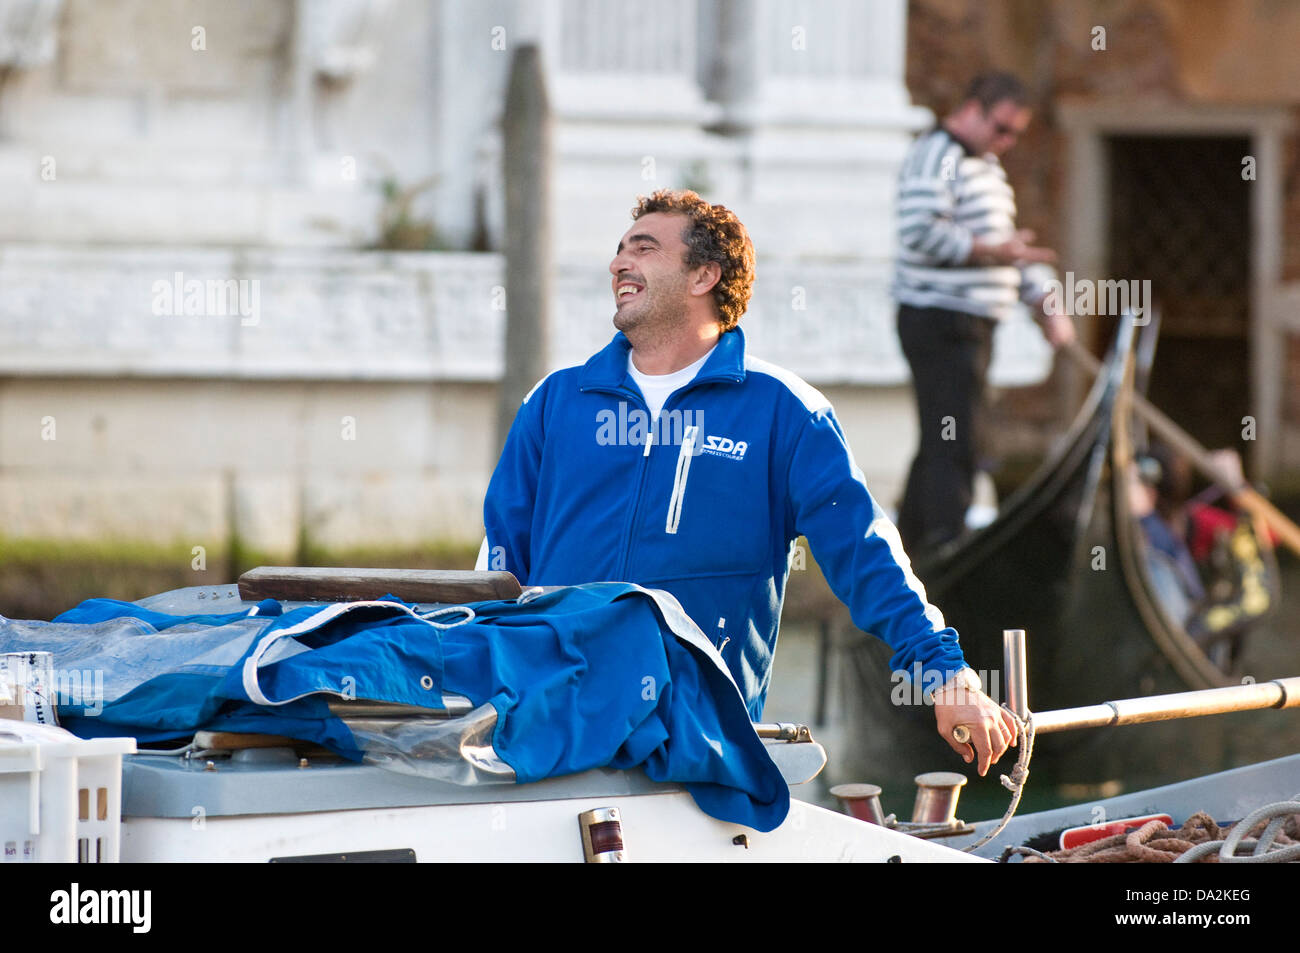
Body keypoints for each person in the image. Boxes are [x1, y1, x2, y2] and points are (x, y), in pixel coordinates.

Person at [482, 189, 1015, 775]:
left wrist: (943, 674)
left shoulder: (785, 411)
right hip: (546, 727)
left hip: (695, 743)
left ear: (703, 275)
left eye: (644, 248)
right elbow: (500, 565)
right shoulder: (555, 400)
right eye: (619, 251)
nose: (618, 264)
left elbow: (865, 554)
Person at [893, 71, 1075, 555]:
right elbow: (919, 230)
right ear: (971, 110)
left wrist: (1047, 303)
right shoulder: (938, 155)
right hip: (940, 318)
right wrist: (989, 250)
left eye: (1015, 133)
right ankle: (946, 545)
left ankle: (913, 547)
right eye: (1001, 128)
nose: (1007, 142)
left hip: (972, 322)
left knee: (944, 434)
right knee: (959, 437)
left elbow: (1008, 246)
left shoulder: (986, 168)